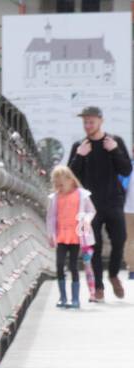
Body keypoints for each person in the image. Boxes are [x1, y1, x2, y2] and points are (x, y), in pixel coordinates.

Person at [67, 106, 132, 301]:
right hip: (88, 205)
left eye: (91, 122)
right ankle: (99, 287)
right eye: (85, 122)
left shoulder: (115, 141)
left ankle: (113, 275)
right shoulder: (79, 145)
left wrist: (114, 151)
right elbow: (70, 176)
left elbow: (126, 170)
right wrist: (80, 155)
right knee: (92, 246)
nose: (87, 126)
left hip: (113, 201)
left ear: (100, 121)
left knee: (120, 240)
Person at [47, 165, 94, 308]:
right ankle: (63, 297)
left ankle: (75, 299)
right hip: (61, 236)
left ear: (70, 180)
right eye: (56, 185)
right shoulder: (55, 197)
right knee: (59, 265)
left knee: (73, 266)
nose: (58, 187)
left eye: (61, 184)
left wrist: (85, 221)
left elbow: (91, 211)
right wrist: (50, 234)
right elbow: (51, 217)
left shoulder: (81, 194)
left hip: (75, 236)